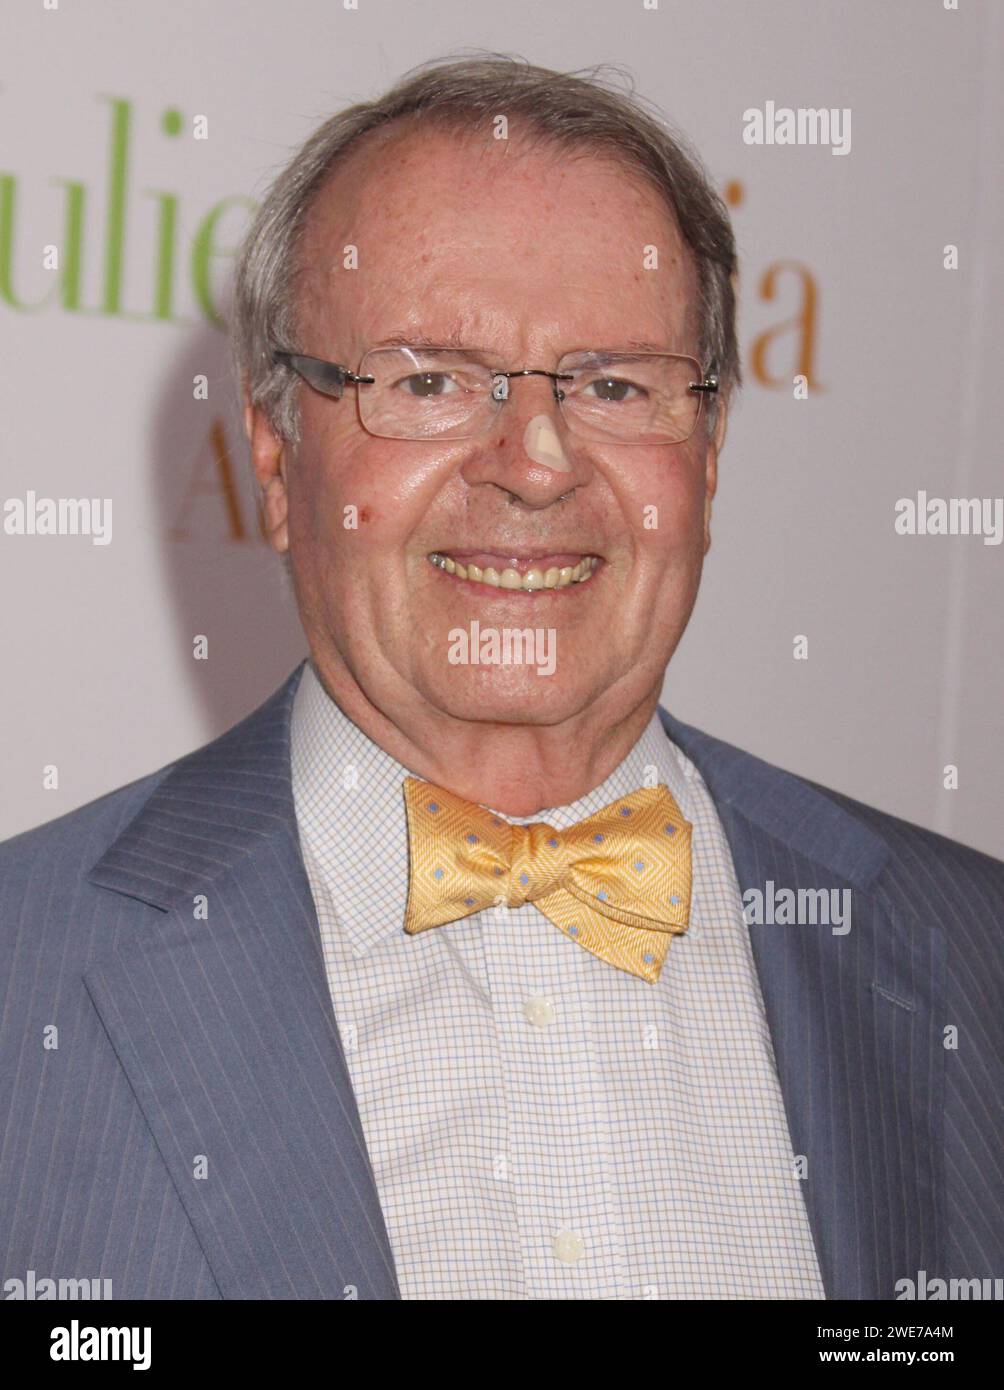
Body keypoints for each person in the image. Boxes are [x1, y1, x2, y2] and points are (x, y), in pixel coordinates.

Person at [2, 55, 1001, 1302]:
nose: (533, 463)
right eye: (426, 381)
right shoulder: (20, 979)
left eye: (614, 384)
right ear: (273, 456)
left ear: (709, 449)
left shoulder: (969, 953)